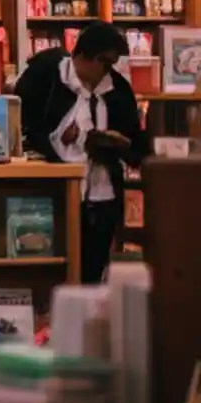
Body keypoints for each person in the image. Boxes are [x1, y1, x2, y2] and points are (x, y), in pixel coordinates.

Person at [14, 21, 149, 283]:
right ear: (81, 55)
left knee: (92, 272)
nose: (106, 71)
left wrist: (120, 145)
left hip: (102, 195)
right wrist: (55, 142)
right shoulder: (45, 76)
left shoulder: (118, 90)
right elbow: (22, 125)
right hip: (54, 192)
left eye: (112, 64)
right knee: (49, 267)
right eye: (103, 62)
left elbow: (137, 146)